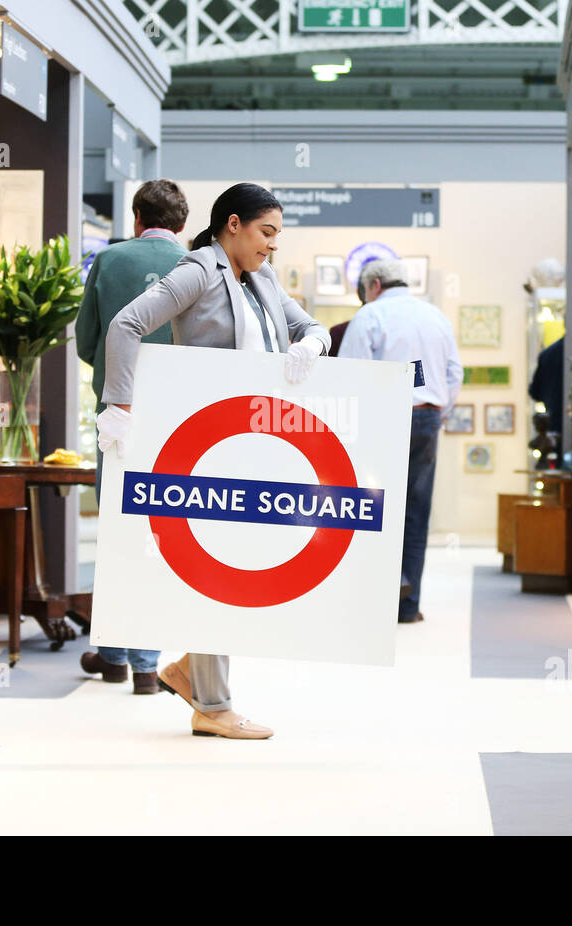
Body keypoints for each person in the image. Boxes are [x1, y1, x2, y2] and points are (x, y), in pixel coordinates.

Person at [95, 182, 330, 739]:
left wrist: (311, 345)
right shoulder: (199, 269)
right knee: (220, 565)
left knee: (232, 561)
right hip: (205, 443)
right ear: (233, 225)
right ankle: (214, 704)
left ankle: (188, 673)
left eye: (277, 237)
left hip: (254, 442)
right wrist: (119, 404)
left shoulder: (265, 279)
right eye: (265, 233)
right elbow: (126, 324)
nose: (272, 247)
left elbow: (310, 326)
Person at [75, 179, 189, 695]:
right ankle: (141, 662)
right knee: (162, 536)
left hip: (118, 413)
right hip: (182, 421)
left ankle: (120, 655)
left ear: (138, 216)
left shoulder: (109, 260)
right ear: (182, 223)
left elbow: (86, 341)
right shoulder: (201, 266)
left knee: (118, 533)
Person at [339, 258, 462, 624]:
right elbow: (455, 372)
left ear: (373, 286)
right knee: (416, 514)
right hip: (427, 417)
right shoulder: (436, 316)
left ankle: (374, 603)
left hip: (384, 419)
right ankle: (408, 607)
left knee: (373, 508)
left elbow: (352, 374)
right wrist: (436, 410)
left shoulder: (370, 315)